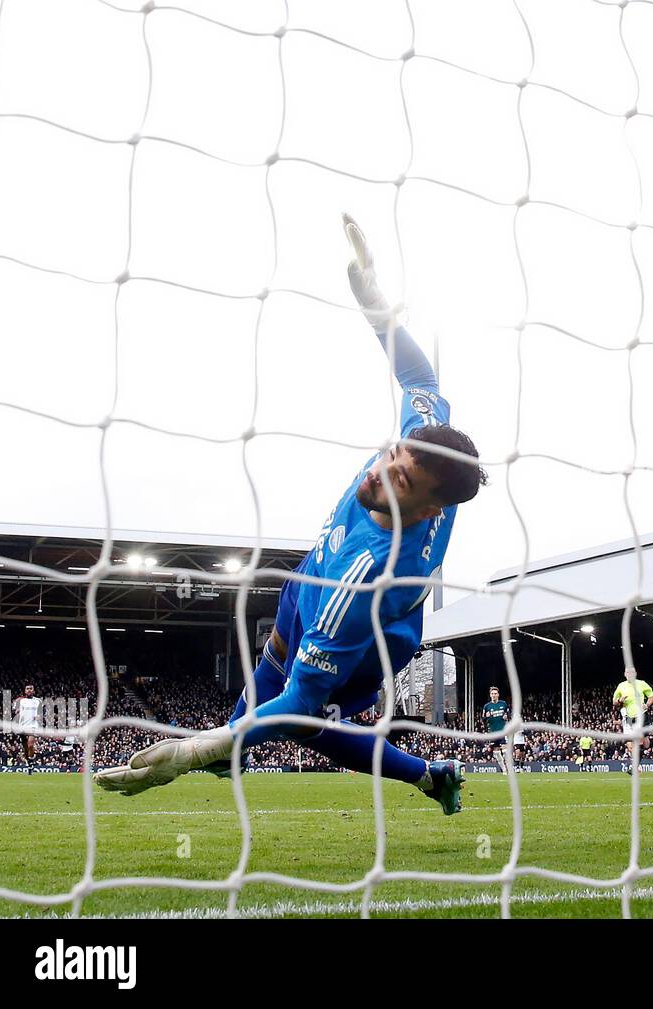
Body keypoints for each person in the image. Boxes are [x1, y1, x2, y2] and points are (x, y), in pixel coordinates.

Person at [94, 215, 486, 815]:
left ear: (428, 507)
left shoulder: (367, 577)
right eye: (391, 454)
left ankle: (431, 776)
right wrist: (374, 300)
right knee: (279, 640)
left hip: (375, 635)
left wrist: (191, 752)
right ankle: (238, 745)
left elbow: (301, 696)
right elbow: (418, 376)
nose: (380, 470)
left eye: (399, 478)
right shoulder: (426, 444)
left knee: (306, 721)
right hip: (313, 578)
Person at [613, 667, 653, 774]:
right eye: (627, 672)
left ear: (635, 673)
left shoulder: (642, 684)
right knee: (633, 744)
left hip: (641, 715)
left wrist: (647, 704)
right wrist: (619, 700)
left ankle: (635, 767)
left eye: (631, 672)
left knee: (641, 742)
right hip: (629, 718)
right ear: (625, 674)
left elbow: (651, 696)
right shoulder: (621, 686)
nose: (629, 674)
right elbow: (614, 702)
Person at [482, 686, 510, 773]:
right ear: (490, 695)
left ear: (498, 695)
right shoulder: (487, 706)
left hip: (503, 730)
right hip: (493, 732)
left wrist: (507, 716)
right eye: (492, 694)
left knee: (505, 750)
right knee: (497, 752)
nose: (494, 695)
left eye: (495, 694)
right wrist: (486, 717)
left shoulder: (503, 704)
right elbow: (483, 719)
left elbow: (509, 713)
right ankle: (504, 770)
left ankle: (509, 768)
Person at [13, 684, 39, 773]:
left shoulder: (38, 701)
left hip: (33, 726)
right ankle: (29, 762)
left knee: (30, 745)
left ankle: (31, 760)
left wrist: (39, 716)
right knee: (25, 748)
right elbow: (14, 711)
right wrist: (16, 711)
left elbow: (41, 712)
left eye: (31, 689)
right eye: (27, 689)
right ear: (25, 691)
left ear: (33, 691)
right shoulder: (20, 700)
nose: (29, 690)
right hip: (22, 726)